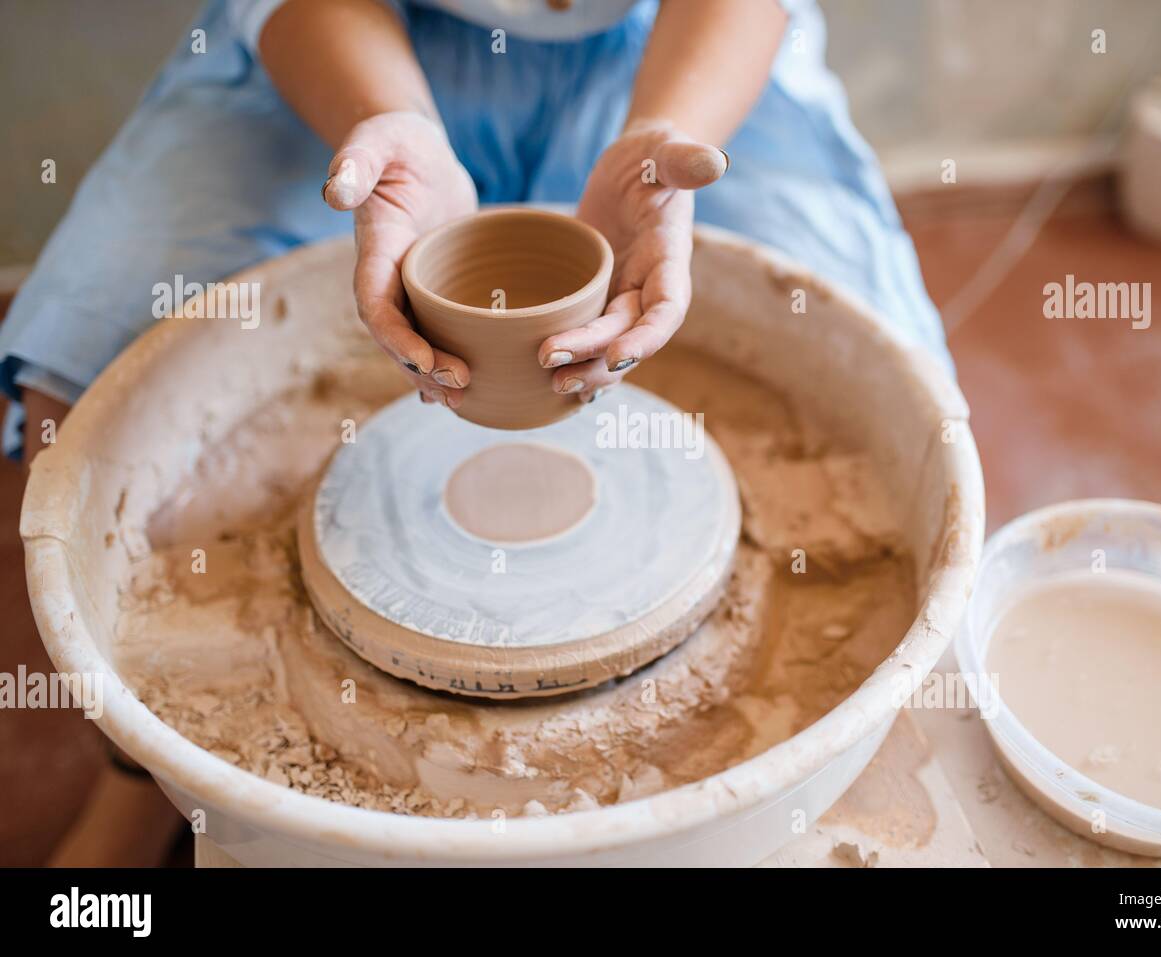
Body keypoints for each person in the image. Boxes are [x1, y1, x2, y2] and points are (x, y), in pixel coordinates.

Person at [5, 0, 948, 865]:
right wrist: (386, 121)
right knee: (94, 374)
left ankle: (777, 800)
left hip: (679, 52)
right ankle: (138, 780)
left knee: (893, 385)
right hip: (353, 39)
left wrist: (671, 137)